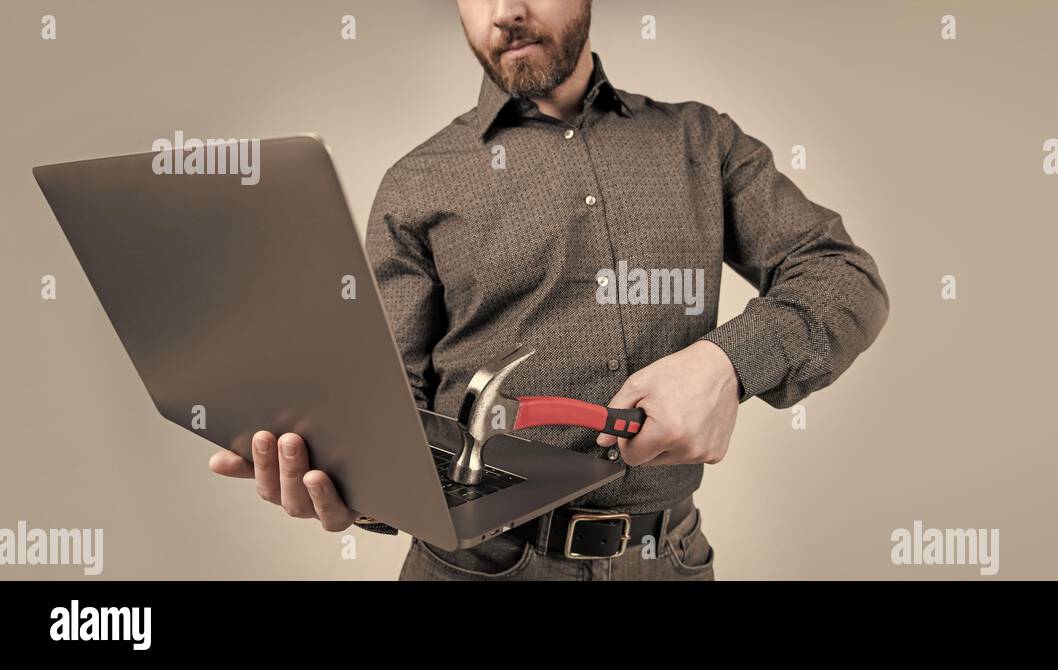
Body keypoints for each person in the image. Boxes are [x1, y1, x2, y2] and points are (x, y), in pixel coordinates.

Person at [207, 0, 889, 581]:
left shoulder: (702, 142)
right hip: (471, 568)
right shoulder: (417, 182)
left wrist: (728, 363)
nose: (506, 11)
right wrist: (357, 485)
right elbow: (392, 414)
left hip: (665, 562)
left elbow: (843, 275)